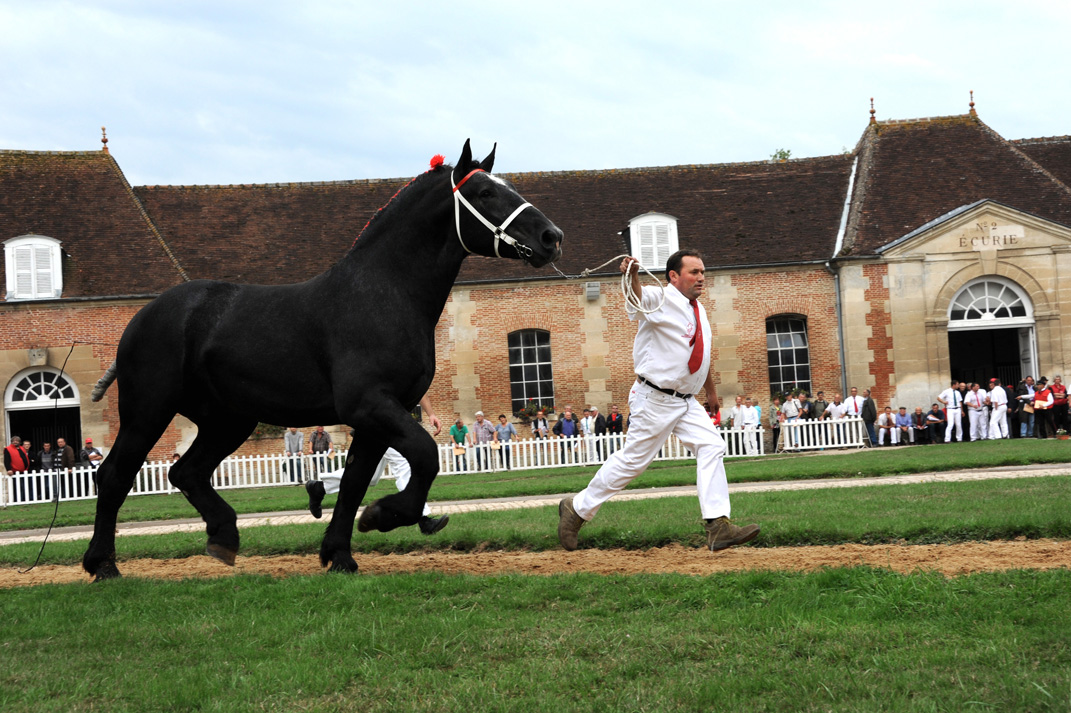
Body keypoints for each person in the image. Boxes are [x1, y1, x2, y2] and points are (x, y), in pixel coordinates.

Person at [558, 251, 759, 553]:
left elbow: (698, 355)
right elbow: (637, 298)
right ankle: (577, 509)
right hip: (654, 398)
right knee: (633, 463)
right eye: (693, 272)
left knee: (713, 445)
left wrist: (711, 390)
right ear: (673, 276)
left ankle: (718, 526)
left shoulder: (698, 308)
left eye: (702, 271)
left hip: (686, 401)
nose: (701, 277)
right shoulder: (659, 298)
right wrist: (632, 275)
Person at [306, 395, 448, 535]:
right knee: (403, 465)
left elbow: (420, 388)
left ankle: (319, 487)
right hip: (381, 424)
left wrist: (431, 414)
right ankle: (423, 520)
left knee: (369, 476)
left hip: (384, 425)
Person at [4, 436, 30, 502]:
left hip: (24, 471)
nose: (15, 442)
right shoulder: (8, 449)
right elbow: (6, 460)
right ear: (11, 441)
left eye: (17, 440)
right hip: (15, 472)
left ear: (19, 442)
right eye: (13, 440)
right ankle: (18, 500)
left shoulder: (22, 448)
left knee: (25, 486)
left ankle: (24, 499)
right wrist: (8, 469)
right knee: (18, 487)